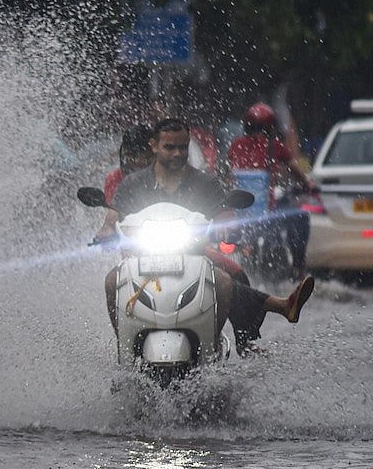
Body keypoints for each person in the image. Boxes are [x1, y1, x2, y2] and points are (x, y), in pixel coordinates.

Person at [94, 118, 314, 356]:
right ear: (154, 146)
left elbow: (224, 211)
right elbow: (112, 216)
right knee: (111, 282)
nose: (177, 153)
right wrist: (106, 231)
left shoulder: (204, 183)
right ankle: (124, 351)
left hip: (193, 259)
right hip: (141, 261)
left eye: (183, 147)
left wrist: (224, 227)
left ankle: (212, 349)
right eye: (170, 147)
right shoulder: (133, 183)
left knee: (225, 282)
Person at [227, 102, 313, 278]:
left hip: (240, 212)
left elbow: (227, 175)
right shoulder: (274, 146)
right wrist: (306, 185)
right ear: (271, 126)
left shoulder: (236, 145)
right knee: (301, 217)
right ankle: (298, 267)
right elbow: (295, 170)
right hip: (267, 213)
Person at [103, 124, 154, 204]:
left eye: (150, 157)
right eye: (128, 155)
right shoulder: (114, 178)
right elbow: (112, 209)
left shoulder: (162, 173)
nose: (147, 161)